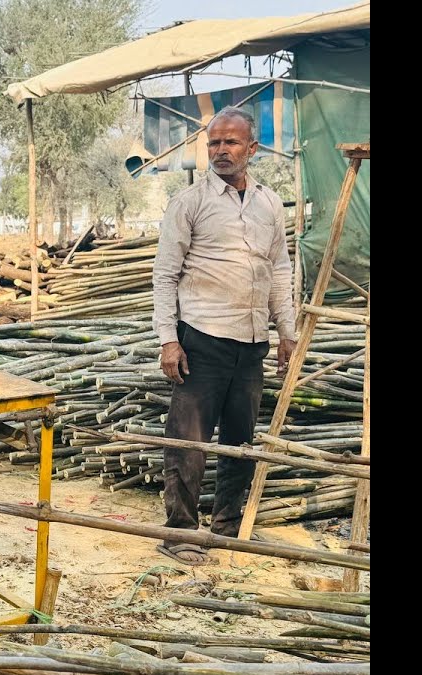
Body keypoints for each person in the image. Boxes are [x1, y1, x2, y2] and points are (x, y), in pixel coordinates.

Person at [150, 107, 297, 567]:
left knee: (240, 442)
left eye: (231, 143)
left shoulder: (270, 203)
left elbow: (279, 268)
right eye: (214, 143)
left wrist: (286, 332)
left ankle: (227, 528)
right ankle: (180, 532)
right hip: (203, 338)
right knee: (189, 440)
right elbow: (165, 274)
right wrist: (168, 339)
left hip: (251, 340)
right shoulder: (189, 202)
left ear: (251, 149)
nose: (220, 151)